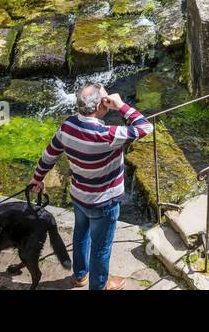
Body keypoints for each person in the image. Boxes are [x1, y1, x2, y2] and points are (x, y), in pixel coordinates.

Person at [30, 84, 152, 290]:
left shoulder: (67, 126)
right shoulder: (107, 135)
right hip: (104, 202)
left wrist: (38, 177)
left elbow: (49, 154)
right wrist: (121, 105)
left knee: (81, 235)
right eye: (105, 98)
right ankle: (99, 286)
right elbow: (146, 127)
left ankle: (80, 276)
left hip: (79, 195)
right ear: (99, 107)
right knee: (101, 248)